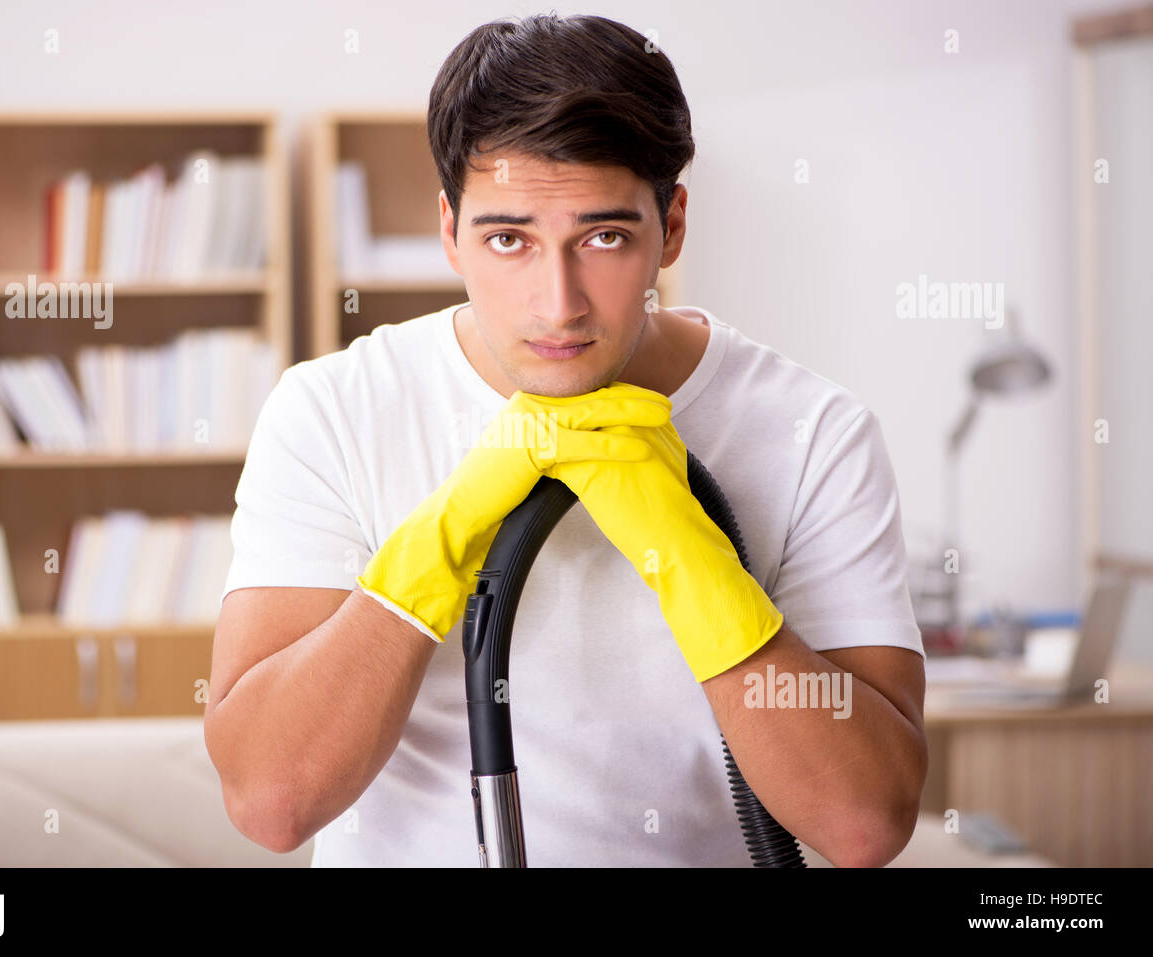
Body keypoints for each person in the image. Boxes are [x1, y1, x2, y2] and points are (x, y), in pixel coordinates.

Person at [204, 13, 927, 867]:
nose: (559, 302)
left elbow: (864, 825)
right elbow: (270, 801)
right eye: (508, 238)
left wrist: (686, 550)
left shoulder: (815, 433)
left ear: (674, 226)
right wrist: (436, 543)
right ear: (449, 230)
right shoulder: (331, 410)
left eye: (604, 237)